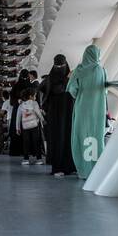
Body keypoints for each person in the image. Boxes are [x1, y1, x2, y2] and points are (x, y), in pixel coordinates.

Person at [67, 43, 108, 179]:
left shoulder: (79, 70)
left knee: (81, 136)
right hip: (98, 109)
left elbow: (72, 90)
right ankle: (95, 169)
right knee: (95, 136)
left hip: (82, 108)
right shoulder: (101, 70)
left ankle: (83, 170)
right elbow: (105, 91)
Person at [41, 53, 76, 177]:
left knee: (64, 138)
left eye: (61, 65)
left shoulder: (51, 78)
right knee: (61, 138)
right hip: (61, 114)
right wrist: (67, 79)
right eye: (58, 65)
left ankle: (67, 166)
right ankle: (61, 166)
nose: (60, 68)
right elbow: (57, 90)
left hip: (60, 113)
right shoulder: (64, 79)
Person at [16, 90, 46, 165]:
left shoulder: (21, 105)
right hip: (34, 126)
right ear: (30, 96)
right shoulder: (34, 103)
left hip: (25, 127)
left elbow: (18, 117)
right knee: (36, 142)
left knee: (26, 143)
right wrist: (43, 120)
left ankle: (26, 159)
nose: (35, 97)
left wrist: (18, 128)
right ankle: (39, 159)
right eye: (34, 96)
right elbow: (38, 113)